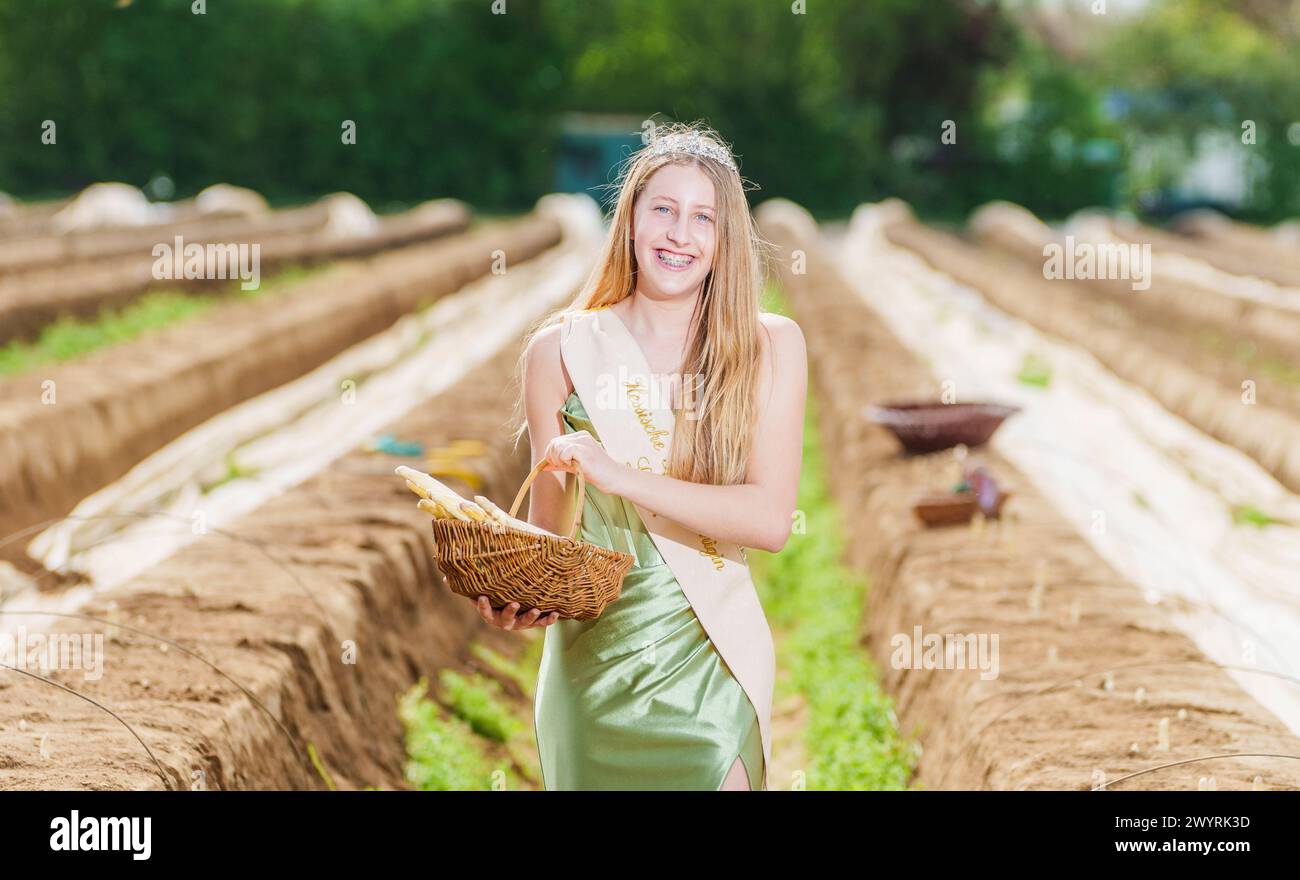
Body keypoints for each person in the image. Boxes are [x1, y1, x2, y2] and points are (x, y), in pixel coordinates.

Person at [483, 121, 807, 791]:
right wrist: (516, 591)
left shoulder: (769, 347)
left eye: (702, 218)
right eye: (662, 209)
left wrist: (622, 476)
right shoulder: (561, 352)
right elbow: (553, 533)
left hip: (713, 657)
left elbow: (771, 520)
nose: (678, 234)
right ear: (630, 220)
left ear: (724, 242)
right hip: (592, 669)